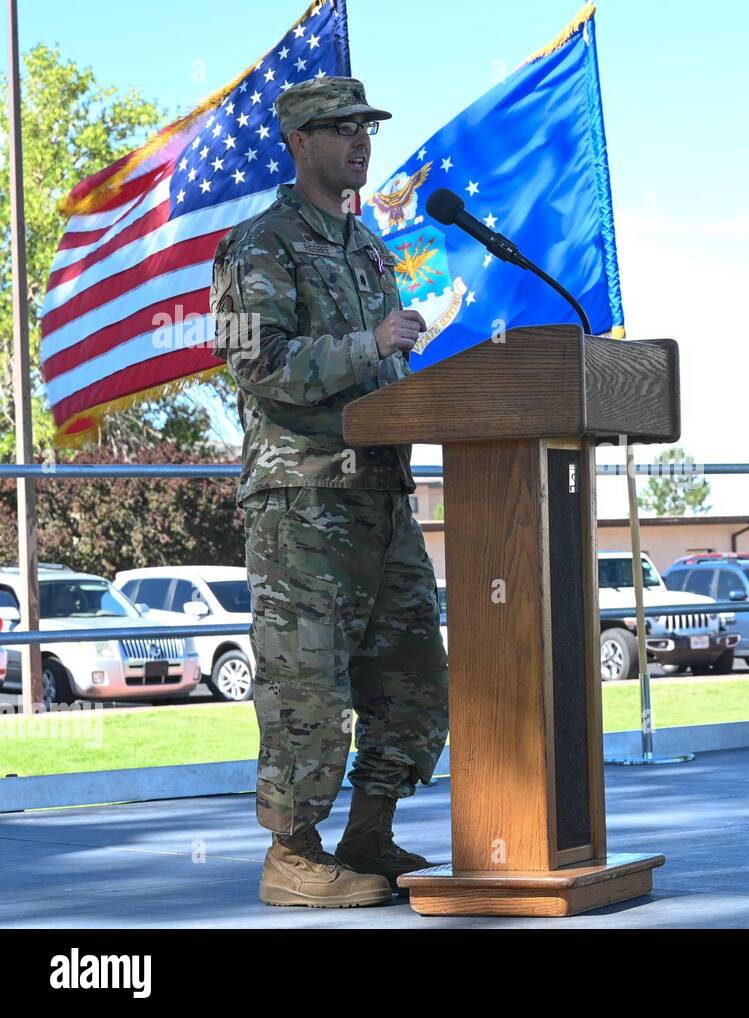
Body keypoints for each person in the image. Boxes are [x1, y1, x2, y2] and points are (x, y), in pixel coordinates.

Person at [209, 76, 448, 907]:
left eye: (366, 127)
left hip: (382, 497)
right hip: (302, 502)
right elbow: (254, 363)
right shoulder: (256, 246)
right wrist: (367, 342)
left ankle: (369, 834)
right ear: (297, 141)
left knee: (414, 678)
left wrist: (413, 366)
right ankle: (292, 854)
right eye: (339, 127)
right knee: (308, 687)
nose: (360, 141)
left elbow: (389, 364)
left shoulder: (368, 248)